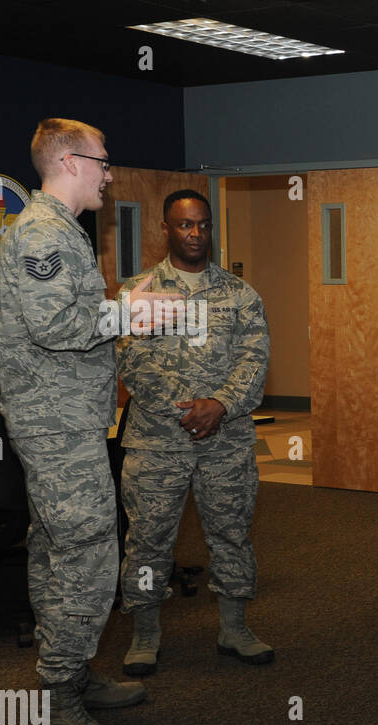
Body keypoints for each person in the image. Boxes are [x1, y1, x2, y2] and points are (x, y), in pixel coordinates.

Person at [0, 118, 175, 725]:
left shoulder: (59, 230)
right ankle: (59, 707)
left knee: (54, 549)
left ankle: (69, 677)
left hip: (62, 422)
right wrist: (130, 313)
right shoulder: (42, 231)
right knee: (89, 555)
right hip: (57, 427)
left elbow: (68, 320)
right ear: (70, 162)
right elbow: (54, 324)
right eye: (102, 161)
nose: (109, 173)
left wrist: (123, 305)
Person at [116, 189, 273, 676]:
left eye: (203, 225)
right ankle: (144, 635)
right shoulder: (138, 293)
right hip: (157, 441)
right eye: (185, 225)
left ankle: (234, 628)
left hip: (226, 441)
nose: (195, 234)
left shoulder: (239, 293)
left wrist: (220, 405)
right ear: (166, 229)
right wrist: (188, 410)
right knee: (147, 540)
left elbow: (256, 358)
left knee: (231, 535)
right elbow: (131, 360)